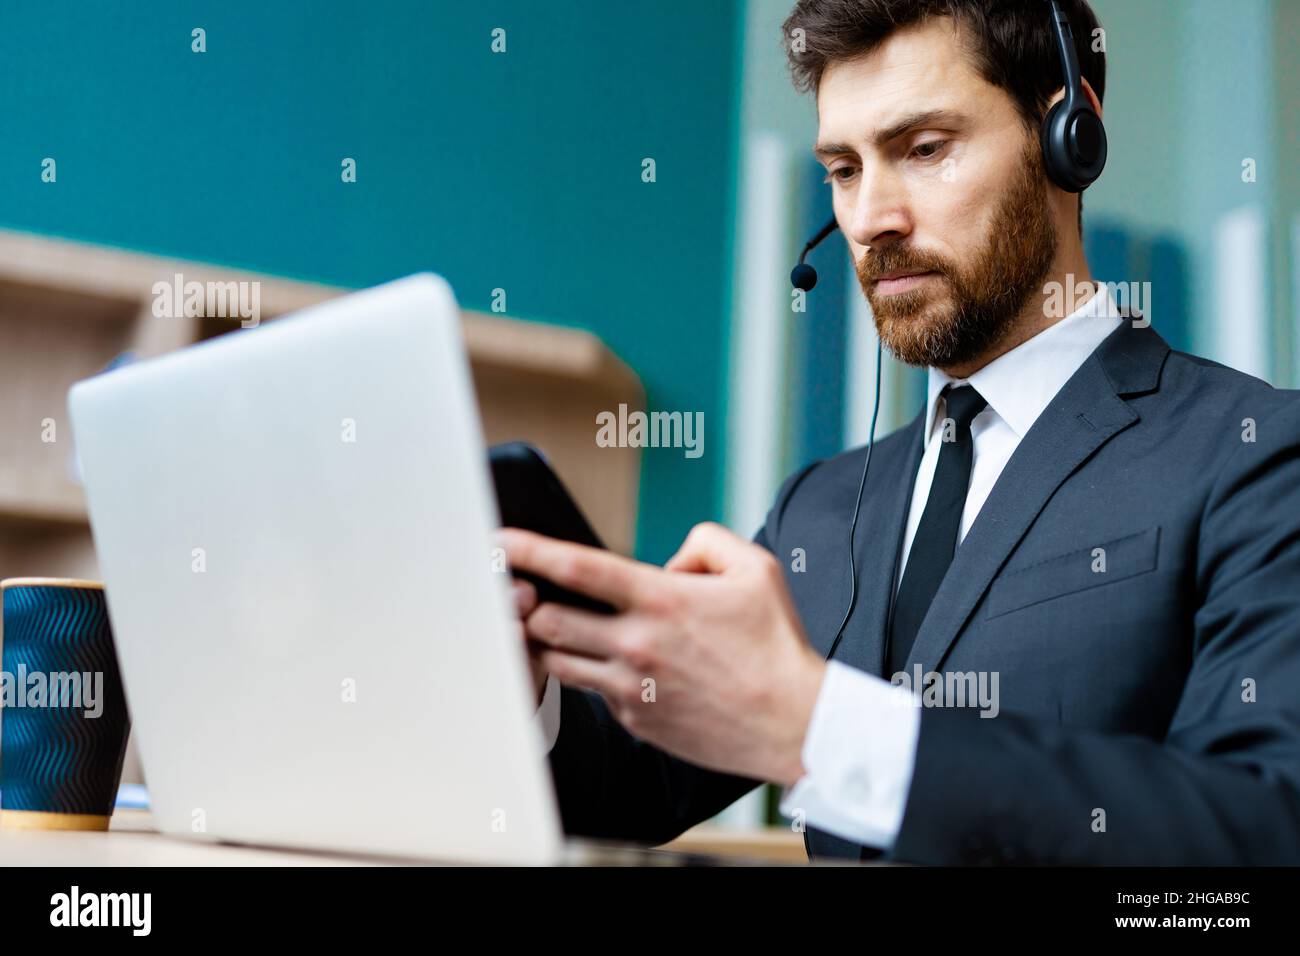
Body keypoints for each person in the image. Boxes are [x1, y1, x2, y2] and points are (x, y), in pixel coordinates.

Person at [499, 0, 1300, 864]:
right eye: (843, 169)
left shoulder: (1258, 453)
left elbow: (1262, 827)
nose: (872, 218)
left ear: (1072, 134)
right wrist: (529, 679)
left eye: (924, 149)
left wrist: (820, 726)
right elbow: (628, 785)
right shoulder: (819, 508)